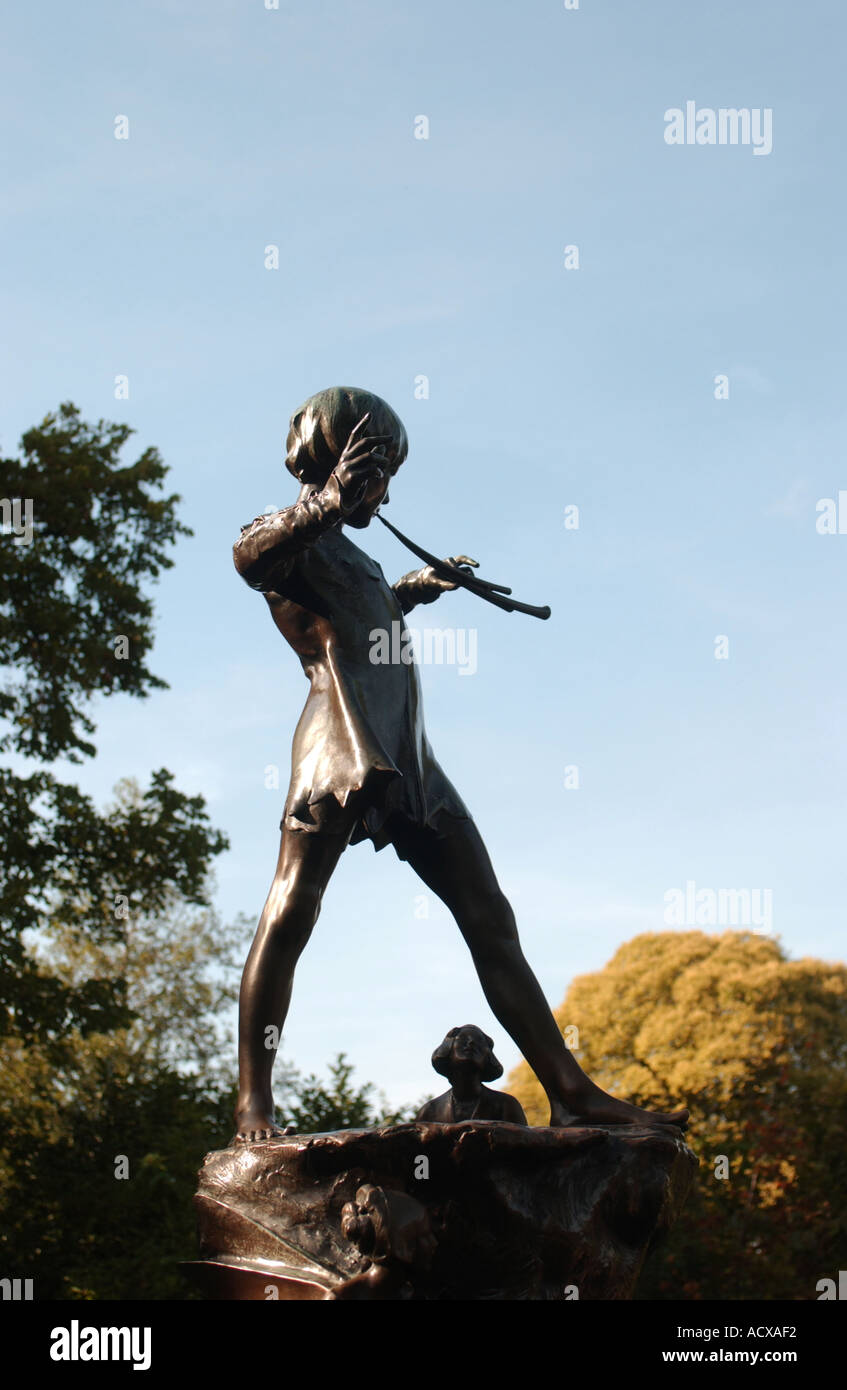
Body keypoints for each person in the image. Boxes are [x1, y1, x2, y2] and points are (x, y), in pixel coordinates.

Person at [231, 386, 689, 1141]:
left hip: (411, 757)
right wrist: (336, 495)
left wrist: (412, 590)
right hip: (340, 746)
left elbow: (362, 617)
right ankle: (253, 1101)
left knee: (489, 915)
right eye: (382, 470)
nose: (388, 490)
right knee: (290, 912)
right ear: (344, 460)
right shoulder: (284, 540)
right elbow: (254, 557)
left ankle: (569, 1091)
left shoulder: (354, 554)